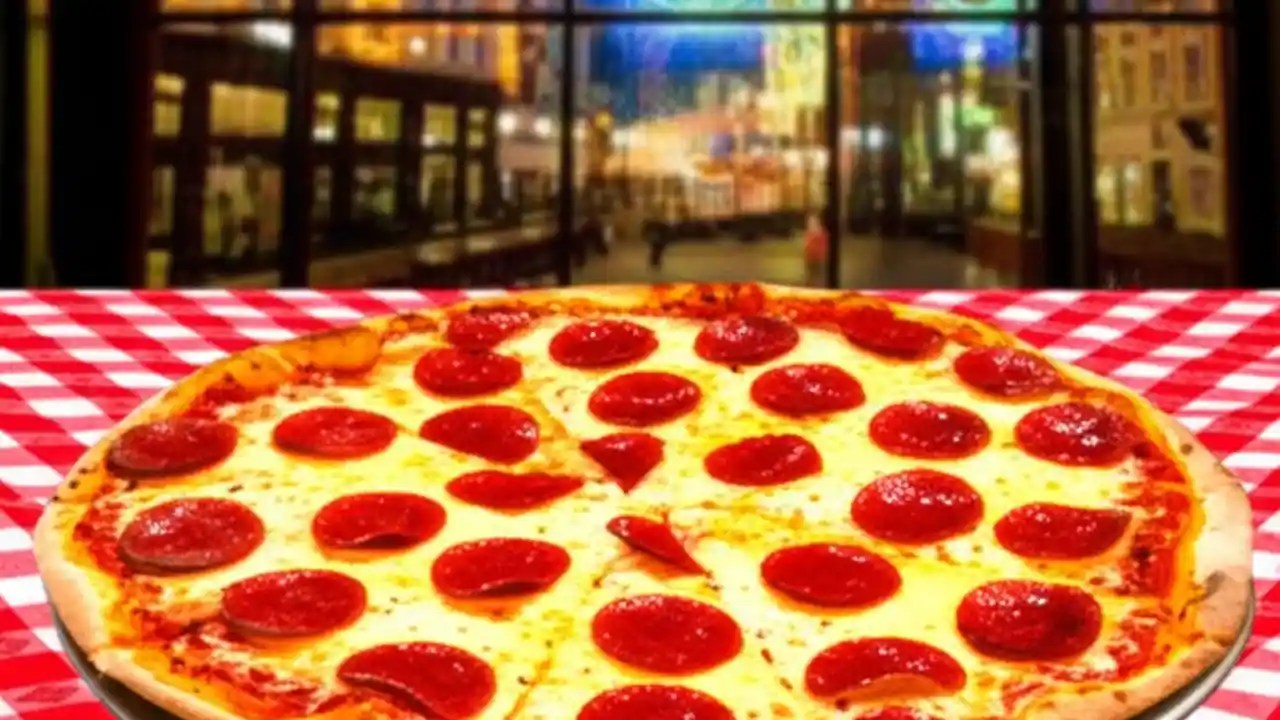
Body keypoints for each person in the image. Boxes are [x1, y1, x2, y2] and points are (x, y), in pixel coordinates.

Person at [803, 212, 829, 287]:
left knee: (819, 277)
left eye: (813, 222)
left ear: (818, 222)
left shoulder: (821, 232)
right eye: (809, 222)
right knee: (810, 276)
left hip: (819, 258)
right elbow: (807, 244)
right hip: (810, 258)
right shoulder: (809, 233)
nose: (811, 224)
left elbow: (824, 246)